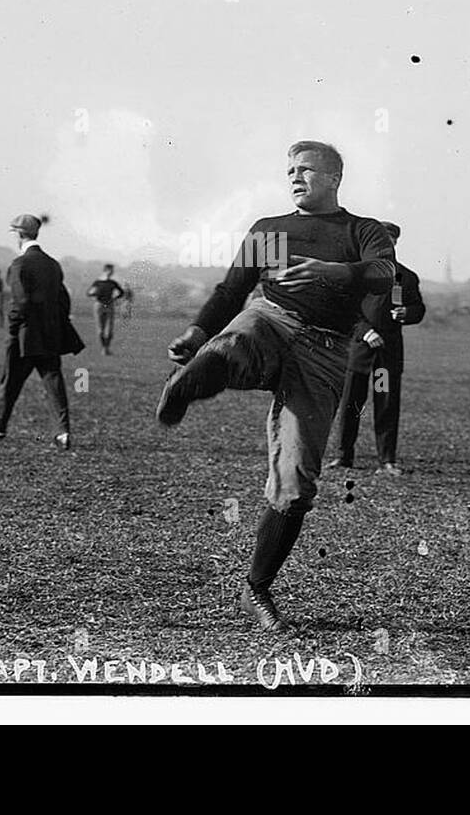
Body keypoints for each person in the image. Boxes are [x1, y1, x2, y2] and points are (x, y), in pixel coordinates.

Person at [155, 141, 395, 632]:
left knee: (296, 480)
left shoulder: (362, 231)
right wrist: (198, 331)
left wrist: (336, 271)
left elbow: (383, 272)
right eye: (289, 171)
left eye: (305, 169)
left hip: (327, 352)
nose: (294, 177)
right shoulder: (269, 229)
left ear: (333, 178)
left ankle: (256, 588)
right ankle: (195, 377)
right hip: (273, 319)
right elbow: (231, 289)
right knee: (241, 337)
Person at [0, 214, 84, 451]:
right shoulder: (53, 264)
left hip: (25, 335)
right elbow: (63, 300)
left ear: (19, 235)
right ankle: (62, 432)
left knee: (11, 379)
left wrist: (13, 329)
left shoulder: (19, 264)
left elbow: (20, 303)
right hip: (50, 334)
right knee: (54, 381)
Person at [327, 222, 425, 476]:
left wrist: (408, 313)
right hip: (360, 353)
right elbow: (346, 310)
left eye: (391, 240)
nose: (387, 244)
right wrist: (365, 332)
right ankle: (343, 457)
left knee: (385, 403)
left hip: (386, 357)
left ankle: (386, 461)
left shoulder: (406, 276)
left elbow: (419, 309)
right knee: (353, 404)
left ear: (395, 243)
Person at [86, 264, 126, 354]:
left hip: (109, 305)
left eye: (112, 270)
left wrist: (114, 298)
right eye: (110, 270)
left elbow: (122, 292)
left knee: (109, 329)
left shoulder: (112, 283)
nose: (112, 272)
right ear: (105, 270)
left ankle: (106, 348)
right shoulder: (97, 282)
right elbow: (89, 292)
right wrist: (94, 295)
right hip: (99, 305)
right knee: (100, 329)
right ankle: (104, 347)